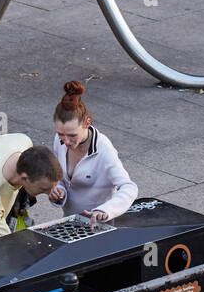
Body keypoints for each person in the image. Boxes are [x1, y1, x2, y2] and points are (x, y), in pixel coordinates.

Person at [48, 81, 137, 225]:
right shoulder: (59, 141)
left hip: (98, 226)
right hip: (69, 222)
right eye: (60, 134)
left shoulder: (104, 150)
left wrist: (105, 210)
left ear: (87, 123)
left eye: (72, 135)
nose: (66, 141)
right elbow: (60, 178)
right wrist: (58, 191)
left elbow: (129, 187)